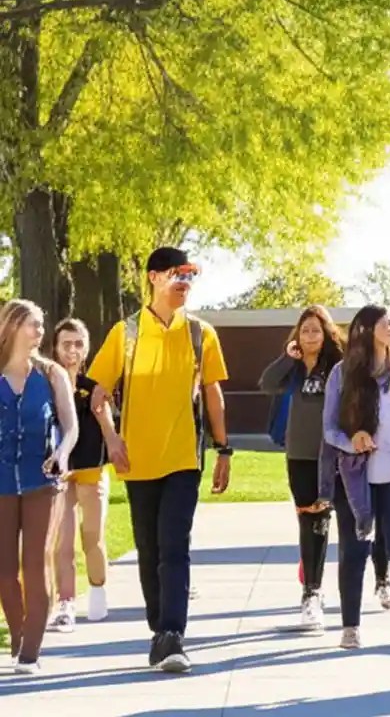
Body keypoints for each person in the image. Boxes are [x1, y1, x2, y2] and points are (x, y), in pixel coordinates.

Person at [88, 247, 232, 674]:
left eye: (190, 274)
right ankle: (159, 631)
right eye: (175, 274)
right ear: (153, 277)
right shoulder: (126, 333)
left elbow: (212, 393)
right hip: (137, 460)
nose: (184, 282)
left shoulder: (200, 334)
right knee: (148, 549)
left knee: (174, 546)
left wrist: (224, 449)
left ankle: (173, 634)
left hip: (184, 458)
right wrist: (112, 440)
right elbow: (98, 395)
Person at [319, 304, 390, 651]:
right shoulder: (342, 373)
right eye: (385, 322)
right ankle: (350, 627)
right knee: (354, 551)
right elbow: (329, 428)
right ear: (366, 329)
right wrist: (352, 440)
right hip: (356, 477)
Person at [0, 299, 78, 675]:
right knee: (3, 569)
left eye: (42, 325)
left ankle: (31, 651)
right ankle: (17, 636)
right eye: (33, 324)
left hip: (41, 481)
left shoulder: (51, 375)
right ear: (13, 326)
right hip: (0, 483)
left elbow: (71, 425)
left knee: (34, 563)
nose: (40, 332)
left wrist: (62, 453)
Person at [259, 305, 345, 632]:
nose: (310, 336)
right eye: (305, 330)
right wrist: (288, 357)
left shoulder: (337, 367)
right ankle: (310, 590)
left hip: (330, 455)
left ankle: (315, 591)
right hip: (298, 455)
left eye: (315, 330)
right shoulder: (292, 370)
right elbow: (267, 383)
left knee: (321, 522)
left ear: (326, 334)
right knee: (306, 520)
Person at [48, 318, 120, 633]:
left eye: (78, 343)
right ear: (55, 347)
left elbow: (108, 426)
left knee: (92, 535)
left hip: (91, 468)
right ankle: (65, 604)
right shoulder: (46, 383)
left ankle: (97, 587)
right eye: (66, 343)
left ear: (87, 347)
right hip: (60, 473)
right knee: (62, 541)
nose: (72, 350)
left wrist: (116, 444)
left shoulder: (94, 387)